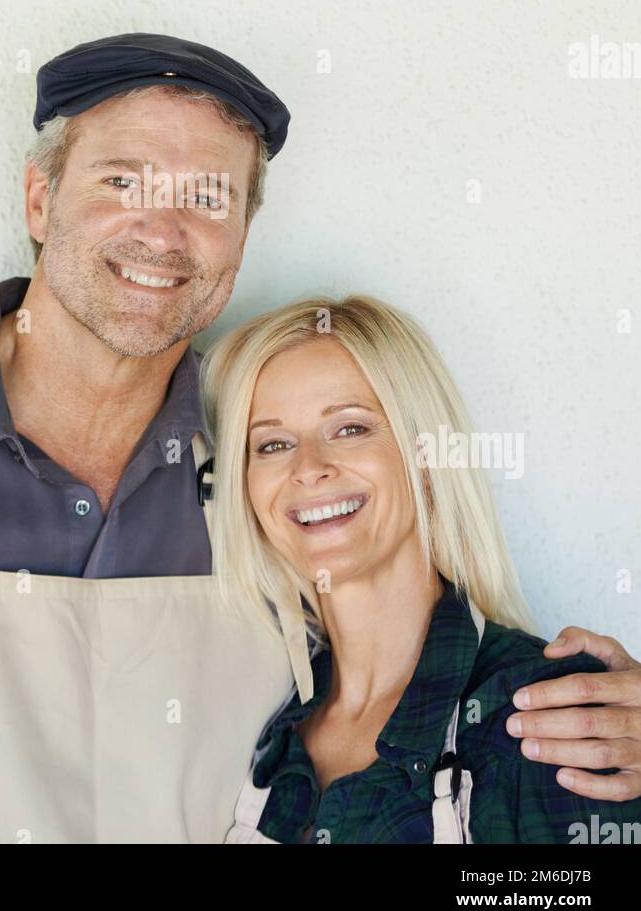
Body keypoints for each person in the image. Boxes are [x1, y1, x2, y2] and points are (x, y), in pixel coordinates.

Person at [0, 33, 639, 844]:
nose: (162, 231)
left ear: (241, 237)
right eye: (122, 181)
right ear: (40, 202)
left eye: (208, 196)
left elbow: (409, 672)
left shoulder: (268, 468)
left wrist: (616, 725)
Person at [199, 295, 641, 843]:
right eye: (272, 444)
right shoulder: (265, 726)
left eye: (350, 429)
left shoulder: (550, 715)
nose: (308, 468)